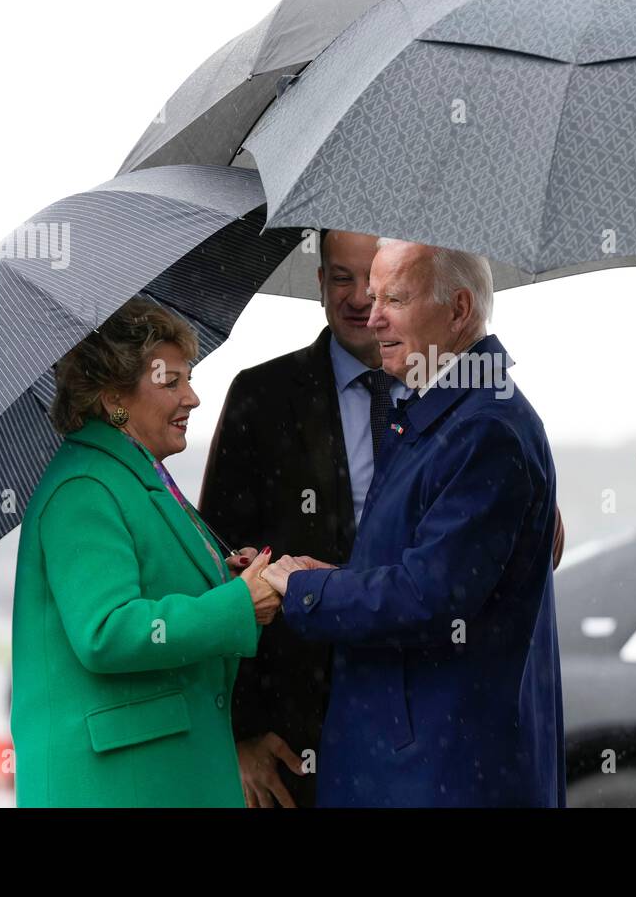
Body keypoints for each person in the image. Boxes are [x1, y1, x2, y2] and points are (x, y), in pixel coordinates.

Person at [200, 229, 565, 808]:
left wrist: (305, 589)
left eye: (394, 299)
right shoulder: (440, 412)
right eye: (366, 292)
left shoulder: (483, 430)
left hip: (440, 769)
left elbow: (428, 596)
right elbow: (404, 570)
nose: (373, 317)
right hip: (407, 761)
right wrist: (307, 573)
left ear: (458, 309)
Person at [11, 299, 279, 807]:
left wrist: (224, 578)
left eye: (189, 379)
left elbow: (148, 587)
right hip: (121, 786)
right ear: (114, 397)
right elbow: (107, 631)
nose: (193, 398)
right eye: (171, 382)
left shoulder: (132, 476)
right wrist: (237, 606)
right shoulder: (85, 486)